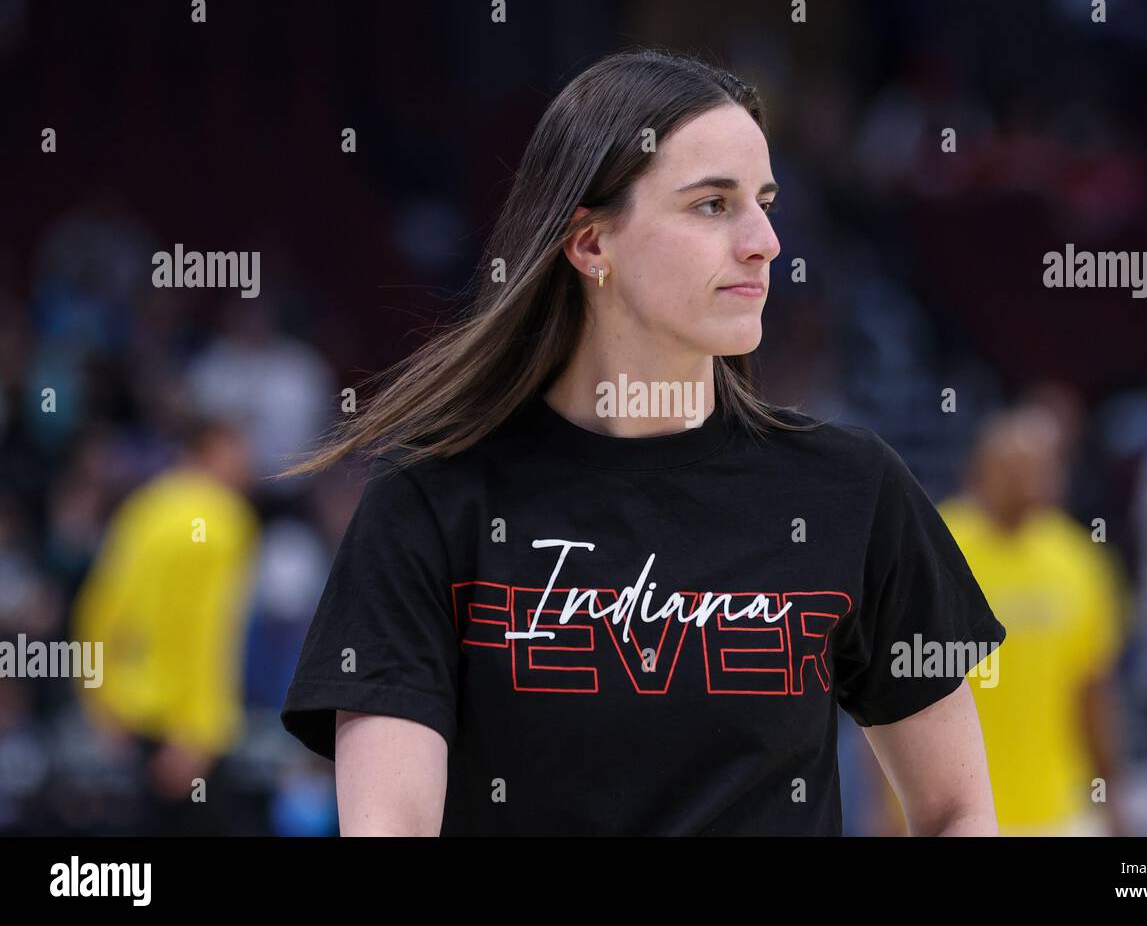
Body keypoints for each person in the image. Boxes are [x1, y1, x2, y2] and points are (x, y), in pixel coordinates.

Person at [277, 48, 1005, 836]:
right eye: (712, 205)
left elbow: (957, 809)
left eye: (764, 201)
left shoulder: (853, 489)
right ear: (591, 246)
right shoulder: (428, 501)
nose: (765, 240)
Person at [937, 406, 1127, 836]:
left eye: (1041, 468)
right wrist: (885, 805)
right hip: (960, 815)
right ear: (979, 471)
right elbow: (892, 688)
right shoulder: (937, 547)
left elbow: (1094, 691)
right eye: (1013, 468)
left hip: (1059, 810)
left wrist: (1113, 793)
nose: (1028, 481)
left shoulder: (1080, 561)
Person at [71, 416, 260, 834]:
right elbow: (207, 631)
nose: (250, 464)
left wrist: (101, 703)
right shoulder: (222, 519)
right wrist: (198, 730)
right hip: (187, 730)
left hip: (132, 719)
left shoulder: (143, 509)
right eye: (241, 452)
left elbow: (101, 610)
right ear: (211, 452)